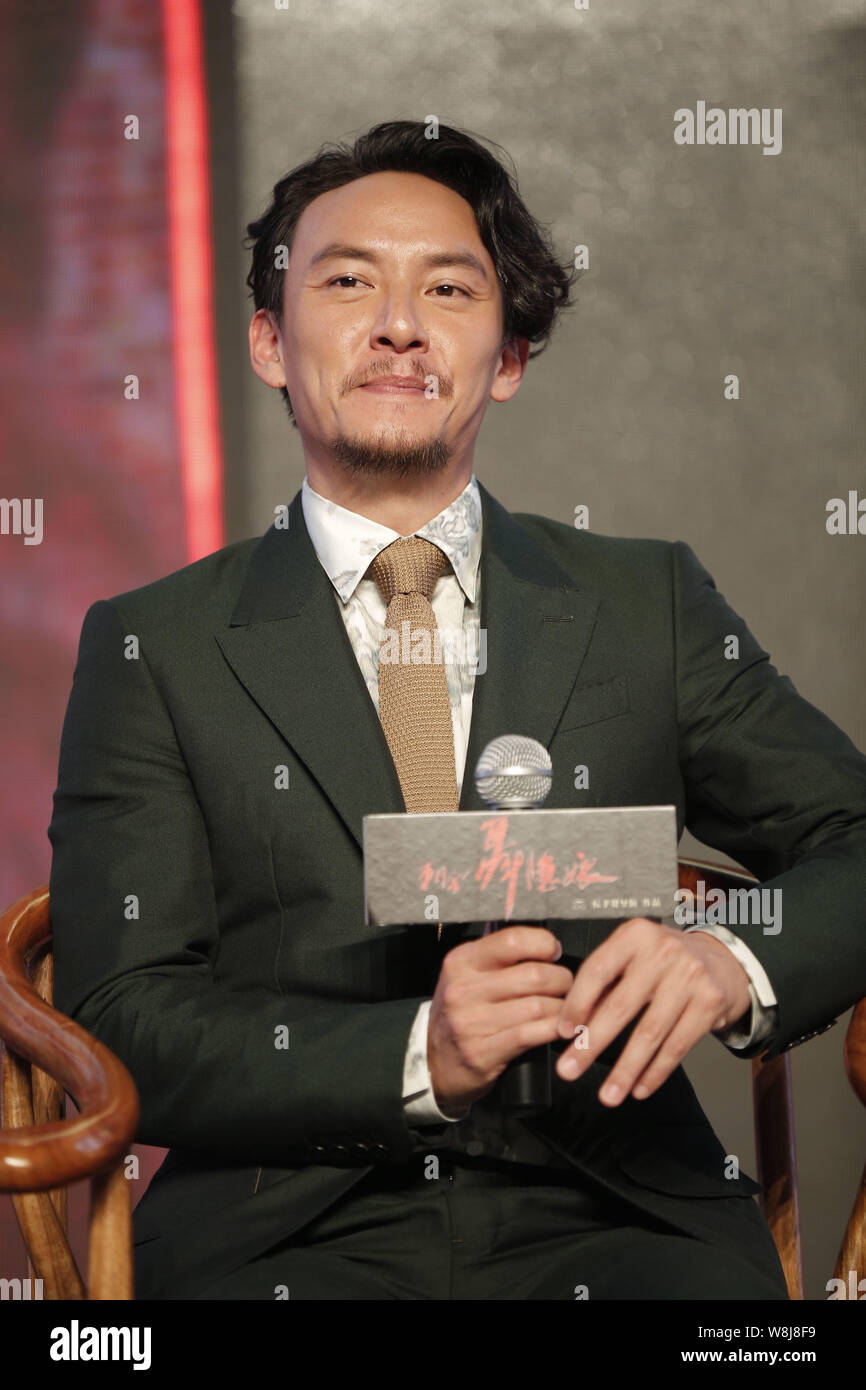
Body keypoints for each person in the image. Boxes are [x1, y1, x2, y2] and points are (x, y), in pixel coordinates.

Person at [49, 120, 866, 1300]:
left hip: (623, 1210)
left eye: (446, 285)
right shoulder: (153, 644)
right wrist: (416, 1053)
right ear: (269, 342)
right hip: (284, 1229)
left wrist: (729, 956)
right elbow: (122, 1007)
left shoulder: (644, 604)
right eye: (344, 282)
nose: (397, 323)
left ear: (510, 353)